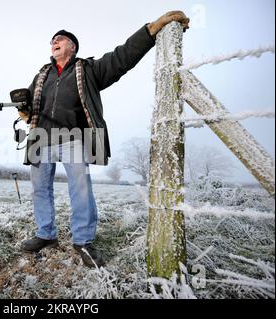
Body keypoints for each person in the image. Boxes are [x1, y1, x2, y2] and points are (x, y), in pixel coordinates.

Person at [18, 11, 190, 268]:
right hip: (41, 138)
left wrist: (150, 30)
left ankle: (83, 241)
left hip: (72, 138)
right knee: (40, 190)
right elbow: (29, 103)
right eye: (53, 39)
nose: (55, 41)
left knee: (81, 189)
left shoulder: (88, 70)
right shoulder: (42, 74)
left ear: (72, 47)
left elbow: (122, 57)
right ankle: (45, 234)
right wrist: (24, 110)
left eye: (61, 39)